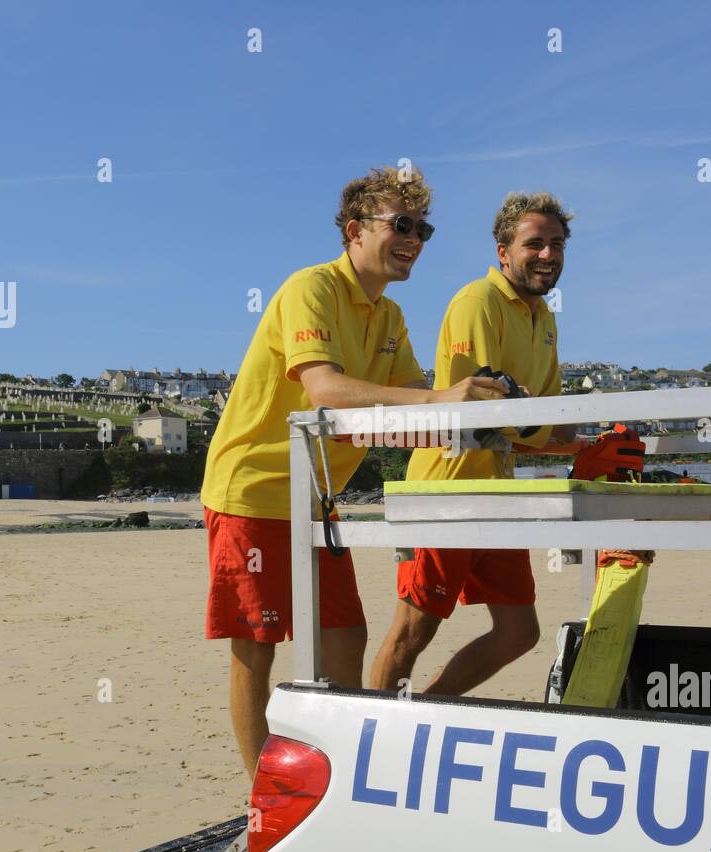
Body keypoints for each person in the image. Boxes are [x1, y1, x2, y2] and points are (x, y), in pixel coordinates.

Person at [200, 167, 506, 777]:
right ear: (353, 231)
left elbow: (414, 401)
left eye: (423, 228)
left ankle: (335, 780)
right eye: (401, 224)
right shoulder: (309, 288)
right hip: (251, 490)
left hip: (315, 496)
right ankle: (263, 797)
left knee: (346, 637)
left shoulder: (388, 319)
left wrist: (490, 407)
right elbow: (326, 391)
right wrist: (442, 402)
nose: (414, 238)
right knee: (255, 650)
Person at [371, 192, 578, 697]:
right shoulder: (476, 302)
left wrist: (589, 443)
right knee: (413, 629)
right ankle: (375, 728)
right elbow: (481, 412)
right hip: (445, 491)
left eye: (556, 244)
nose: (548, 255)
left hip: (497, 491)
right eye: (535, 244)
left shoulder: (545, 319)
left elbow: (542, 420)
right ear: (503, 252)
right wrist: (546, 428)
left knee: (518, 632)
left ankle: (427, 707)